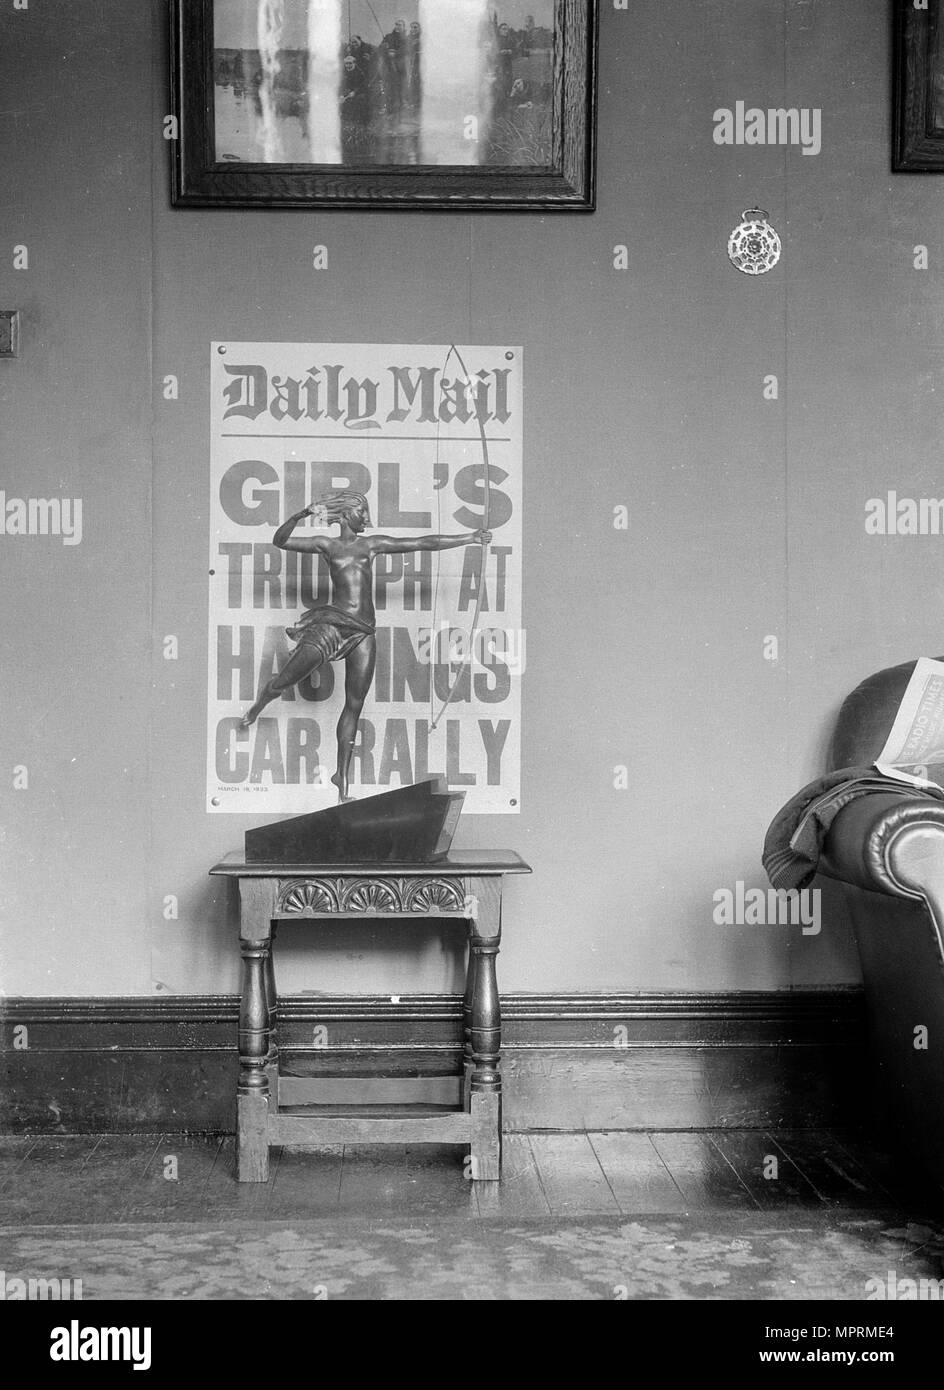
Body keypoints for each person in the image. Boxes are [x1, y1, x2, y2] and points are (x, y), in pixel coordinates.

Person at [240, 491, 491, 802]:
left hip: (363, 633)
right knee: (284, 681)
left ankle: (341, 781)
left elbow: (423, 543)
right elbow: (281, 541)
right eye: (362, 513)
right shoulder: (327, 545)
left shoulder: (371, 545)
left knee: (354, 705)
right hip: (333, 626)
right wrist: (302, 514)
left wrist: (469, 537)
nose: (367, 519)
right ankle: (258, 706)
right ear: (346, 515)